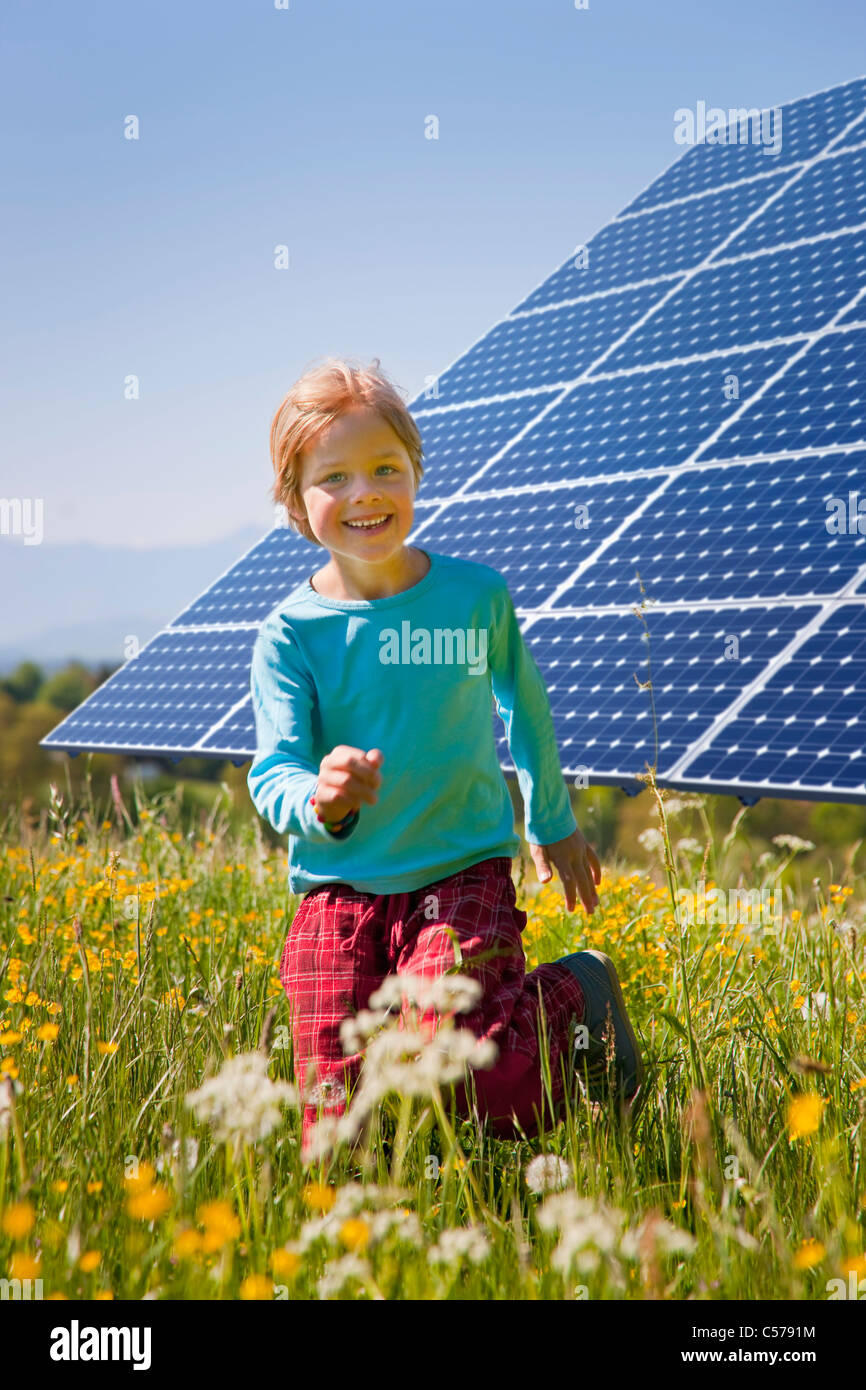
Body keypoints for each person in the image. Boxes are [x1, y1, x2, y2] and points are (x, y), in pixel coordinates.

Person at [247, 355, 643, 1159]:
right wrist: (321, 798)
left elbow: (521, 702)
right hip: (338, 889)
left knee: (475, 1080)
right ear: (295, 501)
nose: (365, 493)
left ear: (416, 473)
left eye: (385, 468)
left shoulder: (474, 596)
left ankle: (577, 989)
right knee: (338, 1134)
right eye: (335, 478)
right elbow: (275, 770)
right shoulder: (291, 635)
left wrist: (552, 819)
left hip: (462, 873)